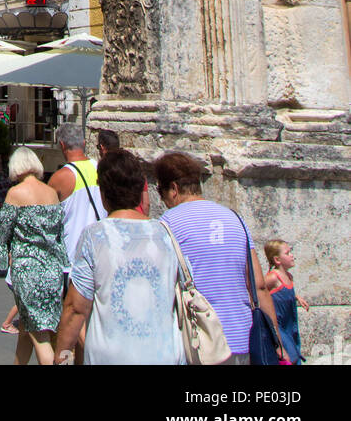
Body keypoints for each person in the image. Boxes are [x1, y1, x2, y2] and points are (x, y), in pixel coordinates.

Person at [55, 149, 184, 365]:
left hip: (111, 357)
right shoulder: (166, 234)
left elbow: (76, 309)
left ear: (104, 194)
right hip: (164, 355)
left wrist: (62, 358)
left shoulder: (95, 237)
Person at [155, 151, 284, 364]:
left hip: (202, 344)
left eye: (161, 192)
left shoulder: (167, 224)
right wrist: (277, 342)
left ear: (174, 189)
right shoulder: (236, 220)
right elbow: (259, 286)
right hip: (243, 339)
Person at [0, 147, 68, 366]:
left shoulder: (16, 193)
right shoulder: (50, 192)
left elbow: (2, 232)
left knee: (40, 336)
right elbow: (59, 233)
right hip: (52, 268)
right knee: (29, 326)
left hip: (28, 270)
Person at [48, 125, 107, 299]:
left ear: (62, 145)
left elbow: (47, 220)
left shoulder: (60, 178)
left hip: (71, 258)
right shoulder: (101, 169)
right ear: (83, 142)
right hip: (100, 253)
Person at [265, 239, 307, 365]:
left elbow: (284, 293)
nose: (292, 255)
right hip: (279, 327)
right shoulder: (273, 278)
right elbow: (259, 293)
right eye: (287, 253)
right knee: (290, 357)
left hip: (291, 325)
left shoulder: (289, 277)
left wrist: (296, 297)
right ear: (277, 260)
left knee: (295, 353)